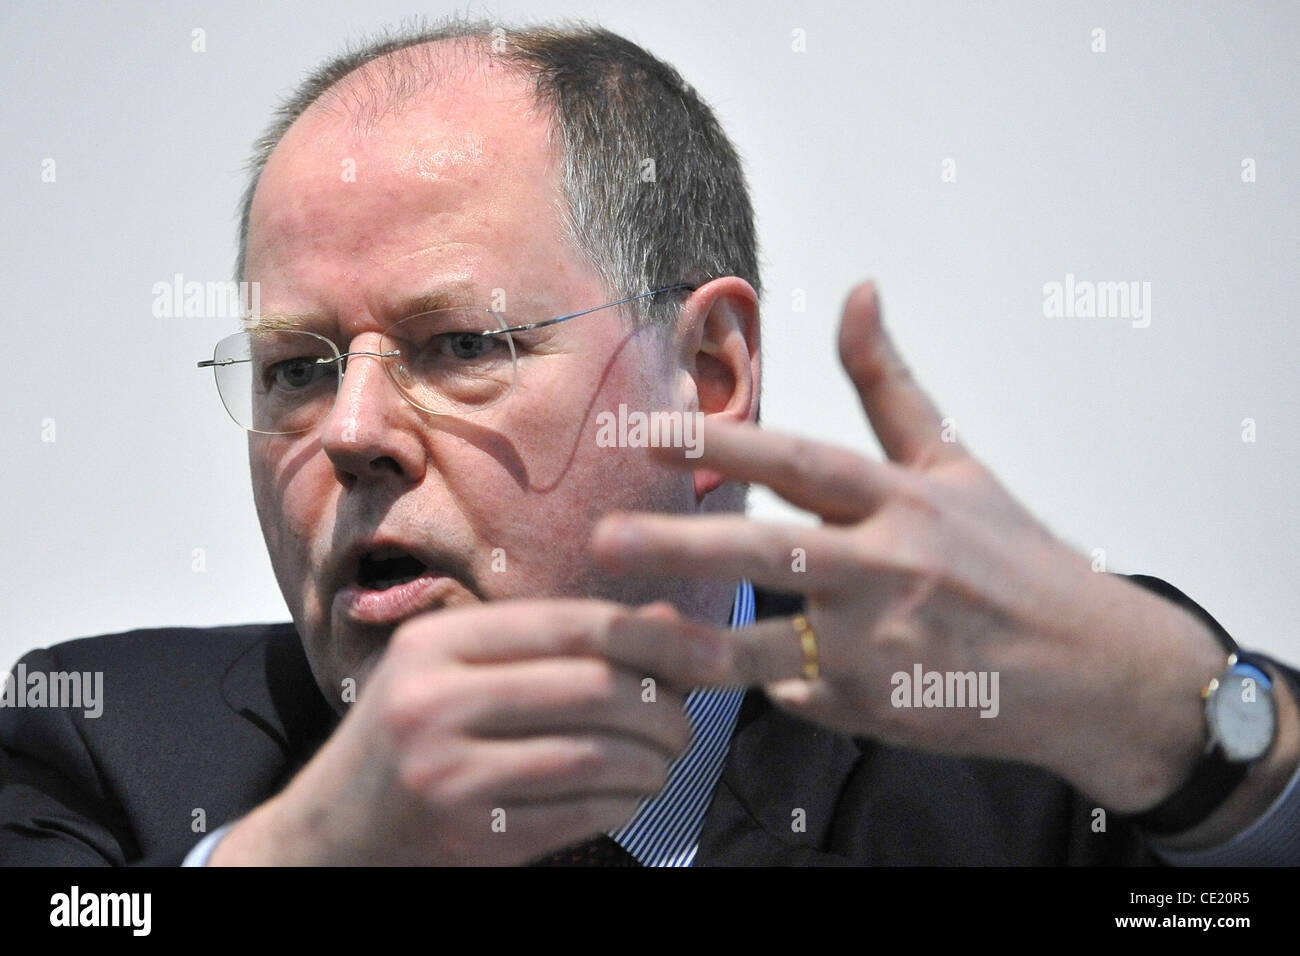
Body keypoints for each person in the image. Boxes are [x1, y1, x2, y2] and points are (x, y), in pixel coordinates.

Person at [2, 18, 1297, 867]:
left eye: (462, 346)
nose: (351, 434)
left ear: (710, 375)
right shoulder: (101, 748)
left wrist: (1186, 732)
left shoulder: (1019, 758)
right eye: (297, 367)